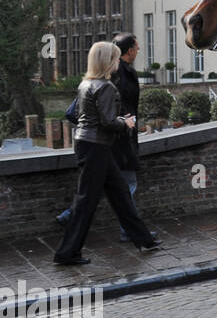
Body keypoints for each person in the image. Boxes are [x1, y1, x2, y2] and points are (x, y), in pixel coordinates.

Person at [53, 41, 161, 265]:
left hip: (89, 145)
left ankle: (143, 239)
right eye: (115, 58)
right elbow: (108, 122)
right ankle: (67, 253)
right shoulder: (105, 87)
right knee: (86, 201)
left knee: (120, 192)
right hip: (96, 146)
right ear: (108, 61)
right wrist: (127, 123)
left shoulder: (86, 84)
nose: (118, 62)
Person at [56, 33, 144, 240]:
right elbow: (77, 112)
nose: (138, 51)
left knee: (103, 187)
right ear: (128, 51)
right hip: (115, 141)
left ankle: (70, 218)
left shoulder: (112, 76)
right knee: (124, 185)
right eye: (136, 48)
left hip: (109, 140)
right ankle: (130, 232)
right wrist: (118, 126)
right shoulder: (113, 77)